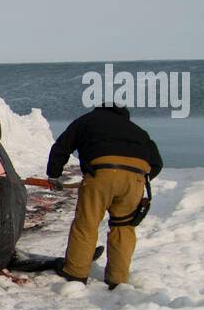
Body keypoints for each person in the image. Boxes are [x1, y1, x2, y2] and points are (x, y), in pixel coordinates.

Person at [46, 102, 163, 288]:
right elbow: (156, 164)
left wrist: (54, 174)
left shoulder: (87, 121)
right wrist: (138, 179)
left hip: (101, 174)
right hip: (135, 180)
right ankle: (118, 279)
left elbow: (62, 146)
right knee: (124, 227)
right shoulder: (138, 131)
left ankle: (75, 273)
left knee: (87, 223)